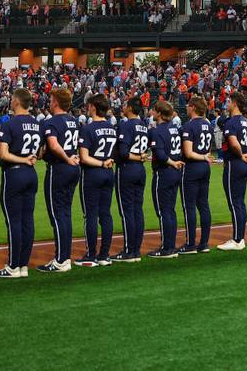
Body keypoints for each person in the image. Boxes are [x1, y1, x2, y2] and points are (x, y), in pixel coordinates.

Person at [0, 88, 40, 278]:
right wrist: (30, 159)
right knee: (27, 220)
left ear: (17, 102)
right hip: (31, 174)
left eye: (12, 99)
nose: (10, 101)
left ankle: (13, 266)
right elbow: (41, 152)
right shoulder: (37, 123)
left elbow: (3, 154)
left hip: (14, 174)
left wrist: (22, 159)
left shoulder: (9, 124)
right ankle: (23, 265)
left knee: (14, 221)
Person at [37, 88, 80, 273]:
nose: (49, 101)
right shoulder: (74, 121)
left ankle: (61, 259)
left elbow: (53, 145)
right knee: (65, 214)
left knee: (57, 215)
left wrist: (65, 158)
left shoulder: (51, 122)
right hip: (73, 168)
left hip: (59, 169)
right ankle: (64, 257)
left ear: (56, 102)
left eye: (51, 99)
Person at [76, 93, 118, 267]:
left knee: (91, 215)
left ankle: (91, 255)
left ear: (93, 107)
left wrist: (100, 163)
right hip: (109, 173)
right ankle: (104, 254)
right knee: (105, 214)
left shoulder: (87, 129)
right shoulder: (112, 127)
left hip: (93, 173)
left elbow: (84, 158)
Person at [112, 96, 148, 262]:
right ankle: (136, 249)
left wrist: (137, 157)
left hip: (127, 169)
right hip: (140, 170)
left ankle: (129, 251)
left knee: (127, 211)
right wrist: (141, 157)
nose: (123, 106)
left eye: (126, 104)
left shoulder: (126, 125)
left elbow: (124, 153)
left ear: (131, 108)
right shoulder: (143, 125)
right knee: (137, 209)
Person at [148, 100, 184, 258]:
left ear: (160, 114)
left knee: (163, 211)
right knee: (170, 210)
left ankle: (166, 248)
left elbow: (161, 155)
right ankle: (171, 245)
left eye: (155, 110)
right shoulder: (175, 128)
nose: (152, 113)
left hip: (164, 172)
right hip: (176, 172)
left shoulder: (157, 131)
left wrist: (172, 162)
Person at [180, 96, 214, 254]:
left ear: (193, 107)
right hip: (205, 168)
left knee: (190, 206)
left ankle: (190, 243)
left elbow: (188, 152)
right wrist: (205, 157)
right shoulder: (208, 125)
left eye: (188, 105)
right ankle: (204, 243)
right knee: (204, 205)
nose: (187, 108)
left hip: (193, 166)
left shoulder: (189, 126)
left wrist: (202, 157)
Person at [219, 92, 247, 250]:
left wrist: (240, 154)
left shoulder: (231, 122)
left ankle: (238, 240)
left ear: (235, 103)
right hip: (243, 164)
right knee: (240, 202)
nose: (227, 103)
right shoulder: (245, 121)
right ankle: (240, 237)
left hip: (234, 163)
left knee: (235, 203)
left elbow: (233, 143)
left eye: (229, 101)